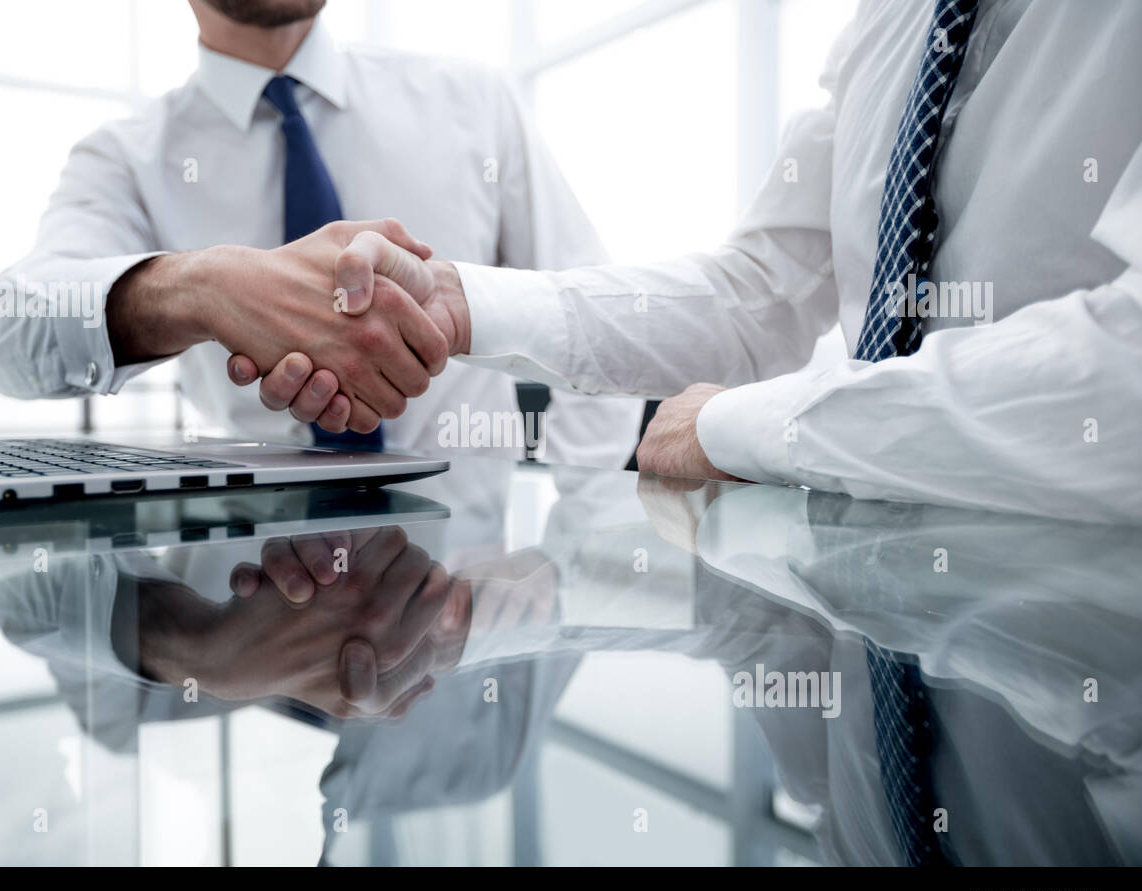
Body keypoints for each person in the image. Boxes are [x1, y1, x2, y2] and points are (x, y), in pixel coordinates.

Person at [260, 0, 1142, 523]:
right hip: (881, 620)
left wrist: (738, 427)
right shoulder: (895, 19)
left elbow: (1123, 380)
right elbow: (762, 291)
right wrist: (462, 305)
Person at [0, 0, 641, 466]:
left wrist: (578, 555)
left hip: (472, 606)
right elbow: (9, 335)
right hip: (243, 602)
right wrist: (202, 287)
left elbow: (591, 326)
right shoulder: (126, 157)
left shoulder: (474, 102)